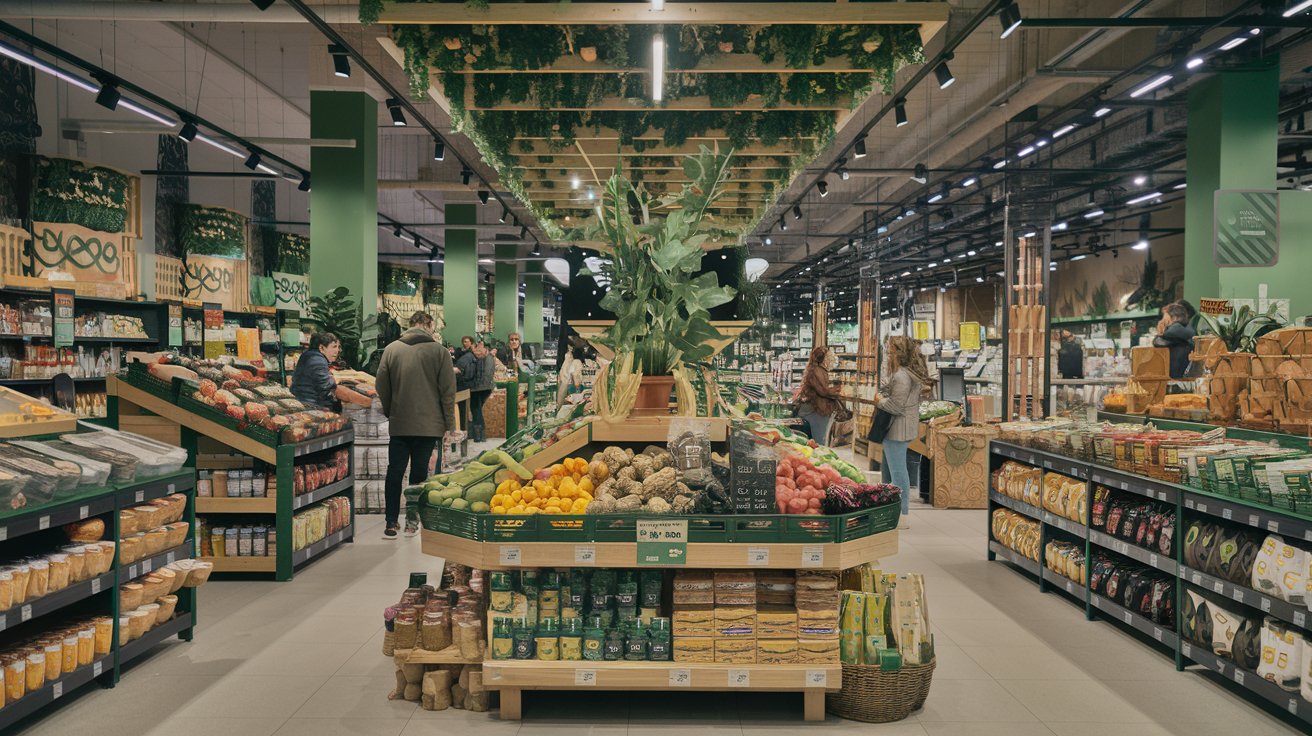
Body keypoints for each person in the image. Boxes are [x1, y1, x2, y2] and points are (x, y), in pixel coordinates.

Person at [375, 312, 457, 539]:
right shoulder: (439, 352)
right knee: (419, 473)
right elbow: (448, 393)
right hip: (429, 425)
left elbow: (381, 384)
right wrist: (449, 424)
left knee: (395, 471)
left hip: (400, 423)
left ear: (409, 325)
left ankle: (391, 522)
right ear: (429, 325)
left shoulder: (392, 349)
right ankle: (412, 522)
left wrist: (392, 410)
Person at [877, 335, 936, 526]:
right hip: (896, 428)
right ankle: (888, 509)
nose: (887, 352)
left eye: (890, 350)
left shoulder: (902, 376)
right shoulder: (903, 374)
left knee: (898, 471)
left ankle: (901, 513)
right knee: (888, 471)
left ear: (898, 353)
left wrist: (880, 401)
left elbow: (896, 406)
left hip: (897, 428)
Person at [797, 346, 843, 444]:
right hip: (816, 410)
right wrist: (836, 390)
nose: (831, 360)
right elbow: (823, 391)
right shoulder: (817, 371)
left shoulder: (816, 369)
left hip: (813, 409)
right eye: (829, 358)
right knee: (820, 441)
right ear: (823, 359)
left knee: (817, 439)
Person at [290, 332, 341, 411]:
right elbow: (328, 388)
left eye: (338, 347)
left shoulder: (309, 355)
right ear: (321, 348)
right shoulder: (317, 361)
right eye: (334, 347)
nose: (337, 351)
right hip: (309, 405)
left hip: (302, 400)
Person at [1154, 302, 1196, 379]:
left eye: (1165, 317)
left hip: (1174, 378)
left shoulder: (1174, 331)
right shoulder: (1186, 332)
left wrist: (1160, 333)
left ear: (1175, 318)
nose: (1163, 320)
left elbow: (1158, 343)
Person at [467, 340, 496, 442]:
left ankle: (479, 435)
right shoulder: (490, 358)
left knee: (476, 410)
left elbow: (479, 374)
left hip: (477, 388)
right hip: (487, 387)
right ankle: (480, 435)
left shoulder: (481, 358)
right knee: (477, 410)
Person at [454, 338, 479, 433]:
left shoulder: (467, 357)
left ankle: (463, 429)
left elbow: (457, 370)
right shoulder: (469, 357)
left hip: (463, 386)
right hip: (468, 386)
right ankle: (466, 430)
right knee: (466, 410)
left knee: (463, 410)